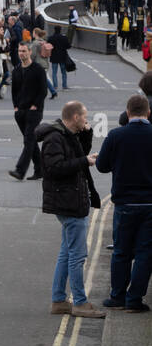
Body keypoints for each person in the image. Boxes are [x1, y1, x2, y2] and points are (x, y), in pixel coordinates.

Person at [38, 101, 104, 318]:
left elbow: (79, 154)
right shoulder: (54, 138)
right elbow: (54, 169)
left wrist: (86, 135)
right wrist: (84, 160)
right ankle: (79, 302)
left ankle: (58, 300)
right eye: (85, 117)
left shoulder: (68, 135)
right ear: (75, 117)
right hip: (68, 201)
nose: (87, 119)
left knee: (67, 252)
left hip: (72, 199)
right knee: (77, 255)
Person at [97, 93, 152, 312]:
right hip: (149, 204)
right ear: (148, 112)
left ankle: (117, 297)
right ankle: (134, 299)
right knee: (145, 254)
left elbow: (102, 165)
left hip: (124, 203)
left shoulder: (116, 135)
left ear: (128, 113)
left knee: (121, 251)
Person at [9, 42, 48, 181]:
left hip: (34, 111)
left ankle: (20, 171)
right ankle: (40, 170)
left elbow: (43, 90)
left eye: (24, 51)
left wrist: (35, 105)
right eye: (20, 51)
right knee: (31, 141)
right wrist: (15, 107)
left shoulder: (38, 69)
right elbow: (14, 91)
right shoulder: (17, 70)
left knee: (28, 140)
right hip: (20, 111)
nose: (22, 54)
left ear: (30, 52)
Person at [46, 23, 73, 92]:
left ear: (54, 30)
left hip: (54, 57)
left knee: (54, 72)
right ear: (60, 30)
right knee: (63, 72)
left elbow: (48, 46)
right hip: (62, 57)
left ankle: (55, 86)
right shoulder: (64, 38)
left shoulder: (51, 38)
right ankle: (64, 85)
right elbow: (68, 46)